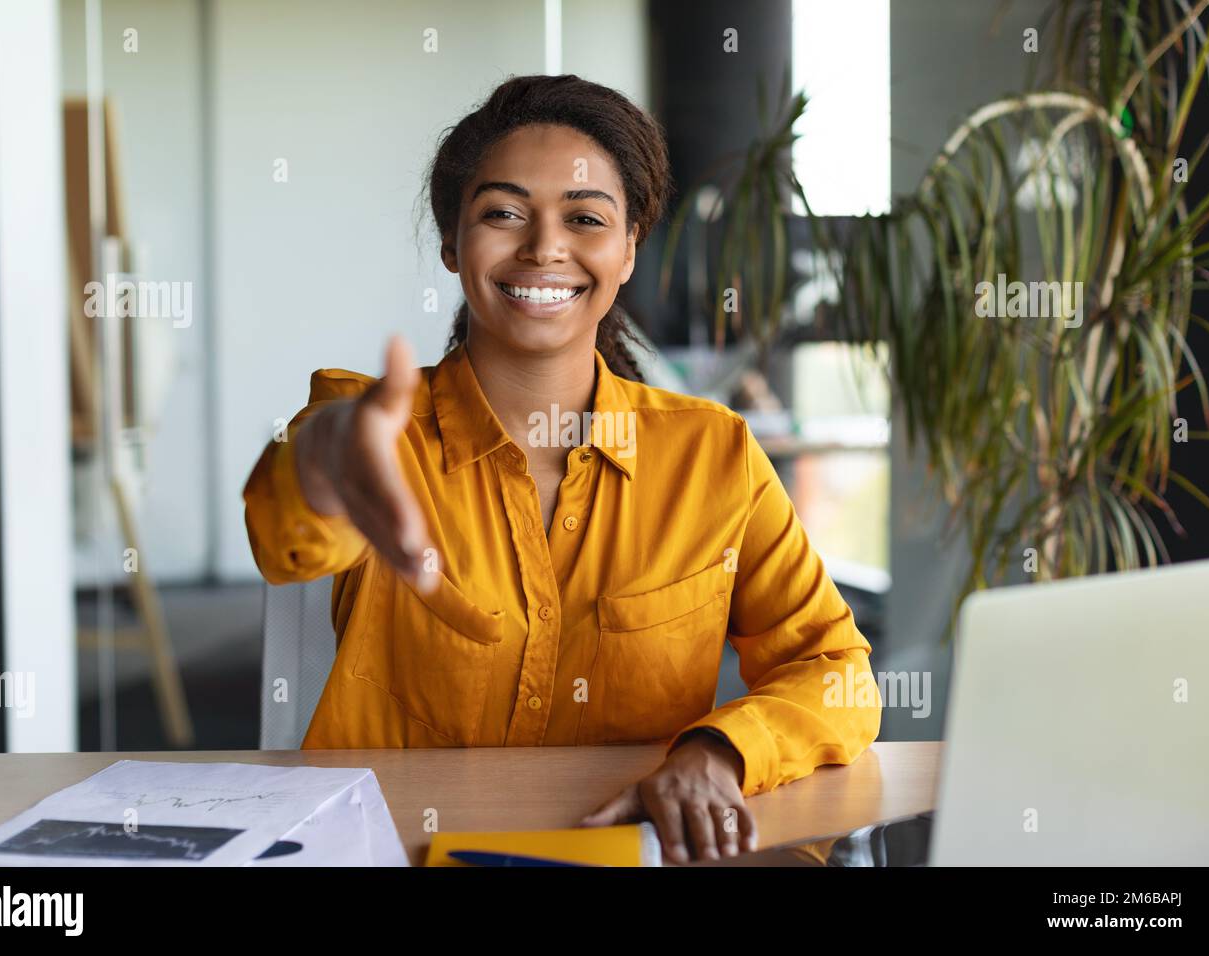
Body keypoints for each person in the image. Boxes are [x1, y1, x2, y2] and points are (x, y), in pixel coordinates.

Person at [243, 74, 882, 864]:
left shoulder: (712, 456)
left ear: (628, 247)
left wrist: (718, 752)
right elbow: (284, 535)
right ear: (453, 242)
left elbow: (833, 669)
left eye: (584, 218)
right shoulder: (372, 428)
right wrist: (326, 455)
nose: (545, 247)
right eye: (503, 213)